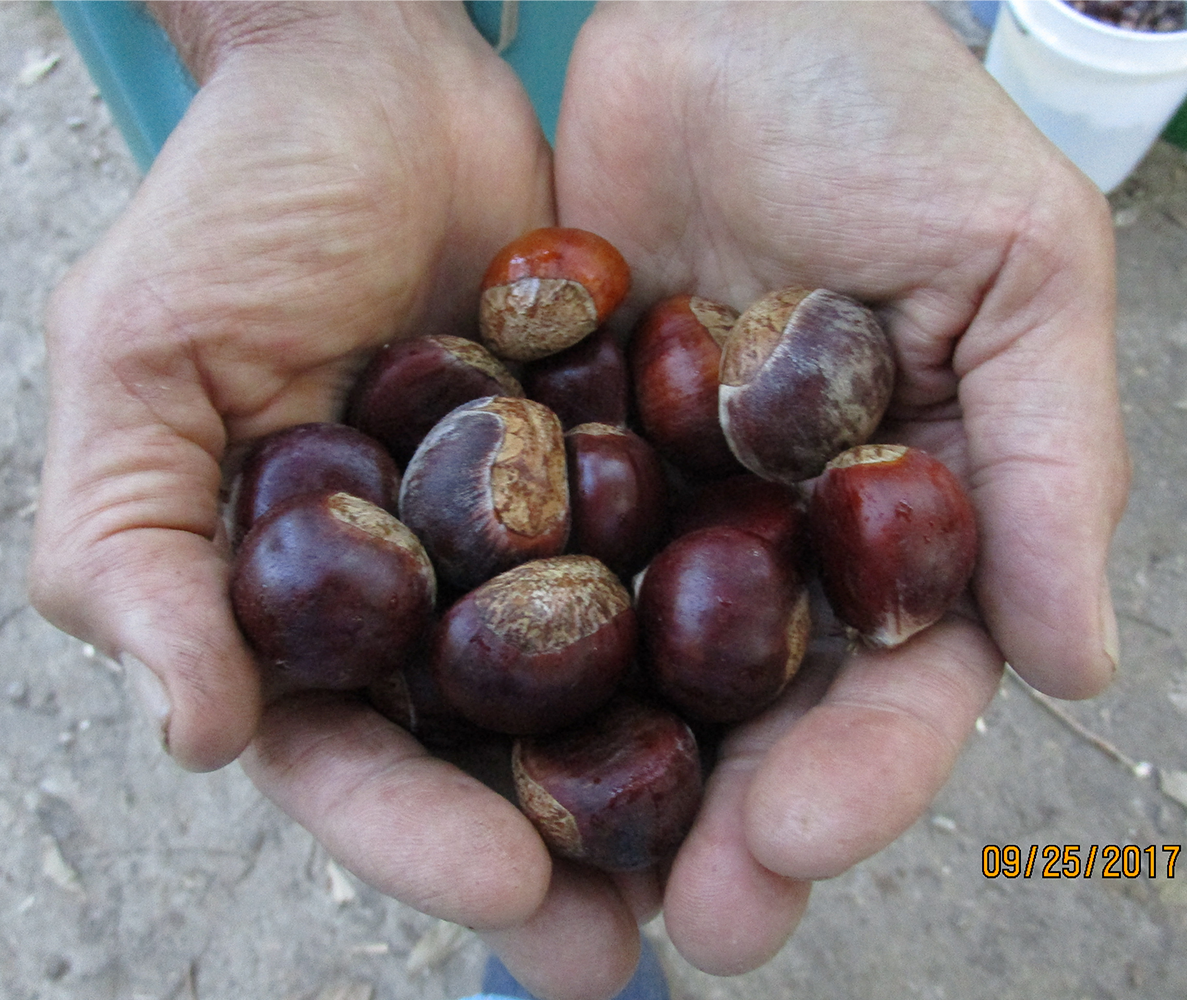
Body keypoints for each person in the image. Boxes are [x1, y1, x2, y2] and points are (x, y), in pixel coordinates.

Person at [31, 3, 1129, 999]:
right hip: (340, 159)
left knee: (594, 890)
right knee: (537, 890)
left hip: (651, 92)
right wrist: (309, 31)